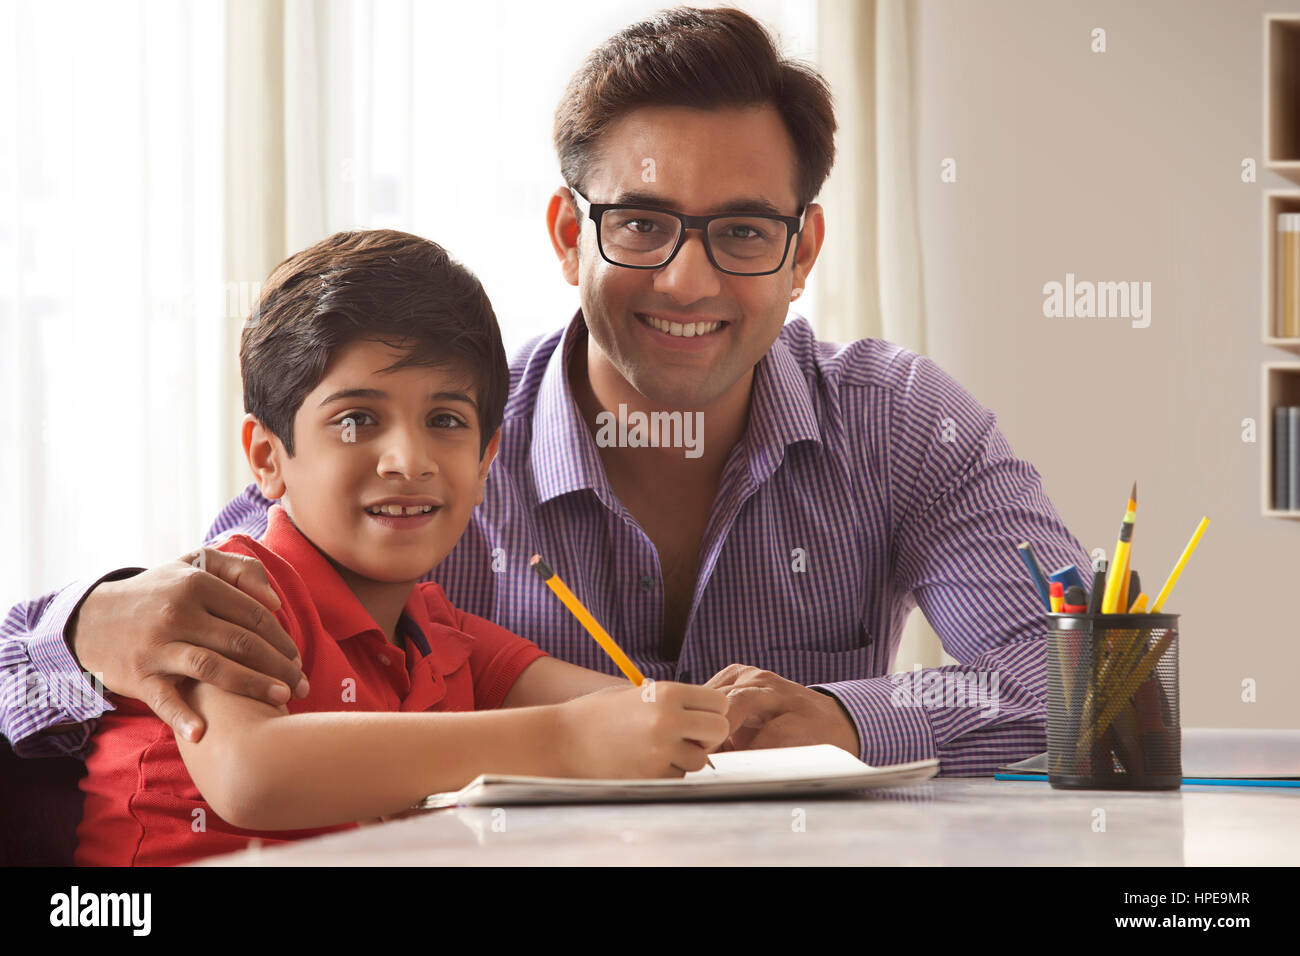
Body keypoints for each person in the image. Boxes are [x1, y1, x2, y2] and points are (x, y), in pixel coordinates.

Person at [3, 6, 1089, 780]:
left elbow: (1086, 672)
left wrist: (847, 720)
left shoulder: (894, 417)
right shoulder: (434, 437)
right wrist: (88, 627)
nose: (688, 279)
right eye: (642, 221)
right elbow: (131, 686)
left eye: (744, 231)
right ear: (571, 233)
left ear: (803, 249)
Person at [74, 229, 730, 865]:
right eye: (358, 418)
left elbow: (623, 711)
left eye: (445, 421)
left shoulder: (442, 635)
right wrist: (565, 741)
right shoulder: (226, 595)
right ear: (267, 457)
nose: (408, 461)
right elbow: (251, 773)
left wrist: (712, 717)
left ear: (484, 463)